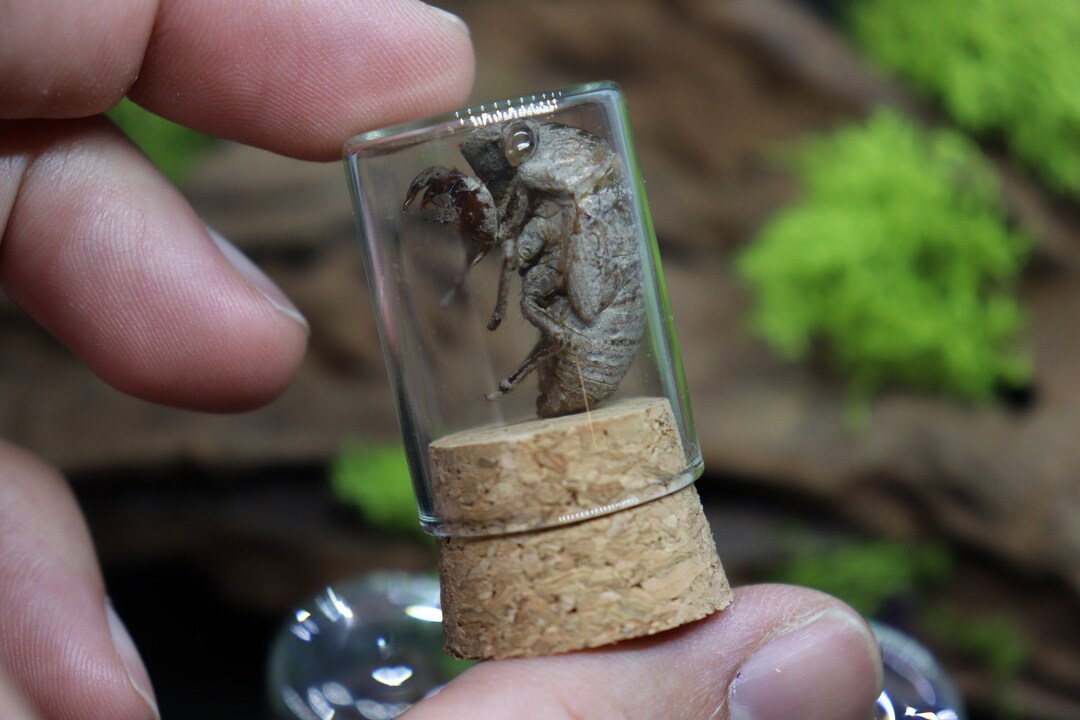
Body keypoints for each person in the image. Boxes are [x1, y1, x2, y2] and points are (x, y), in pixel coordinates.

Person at [0, 1, 882, 718]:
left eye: (519, 152)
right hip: (558, 361)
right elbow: (522, 256)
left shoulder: (581, 191)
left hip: (596, 358)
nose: (505, 160)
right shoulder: (541, 200)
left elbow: (544, 271)